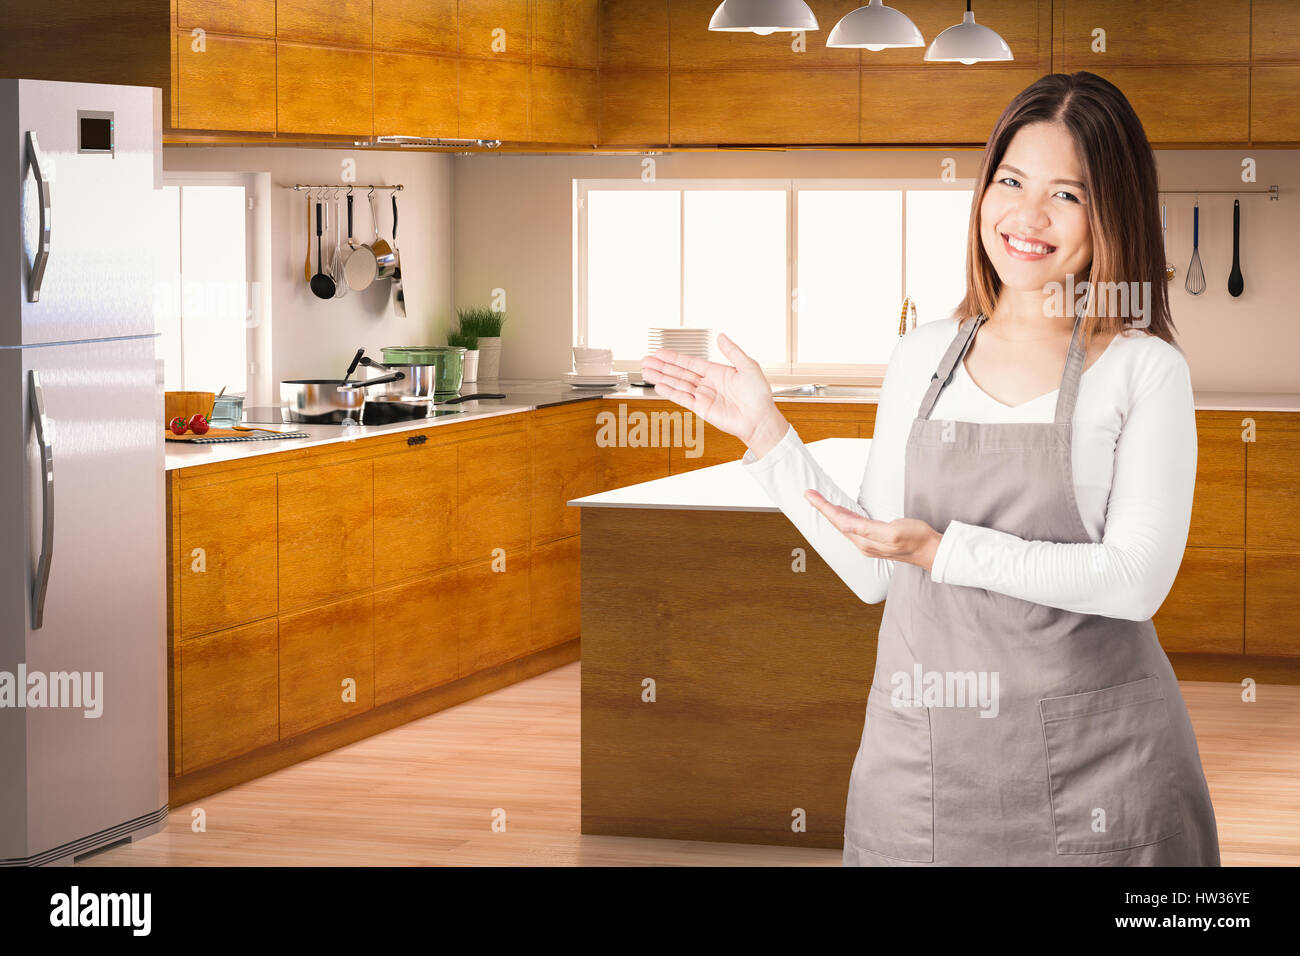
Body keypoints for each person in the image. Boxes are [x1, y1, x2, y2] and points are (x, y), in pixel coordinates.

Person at [641, 71, 1220, 866]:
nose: (1026, 216)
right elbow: (877, 567)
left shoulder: (1142, 370)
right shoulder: (921, 359)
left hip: (1101, 769)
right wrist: (769, 438)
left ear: (1111, 212)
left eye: (1067, 196)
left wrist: (941, 551)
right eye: (1010, 182)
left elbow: (1133, 581)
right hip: (923, 770)